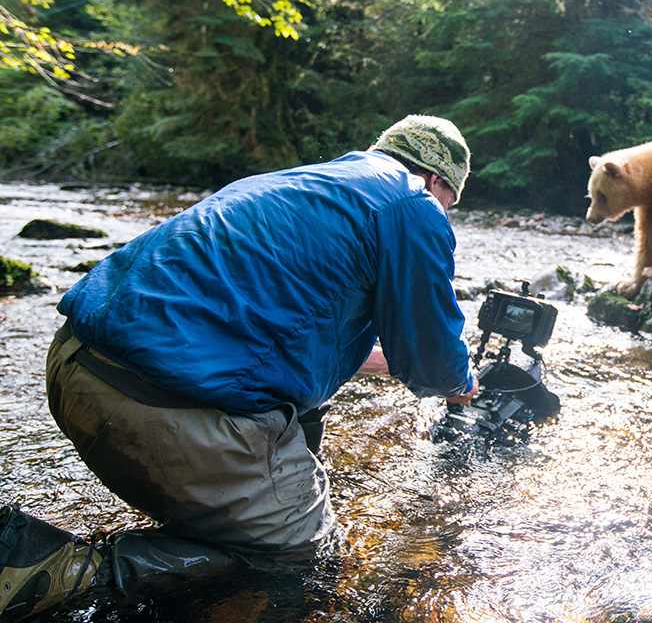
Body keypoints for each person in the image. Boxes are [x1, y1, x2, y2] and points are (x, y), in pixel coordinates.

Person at [0, 115, 479, 621]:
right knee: (303, 551)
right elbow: (433, 362)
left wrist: (380, 361)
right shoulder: (413, 204)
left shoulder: (306, 182)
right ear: (436, 180)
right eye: (451, 203)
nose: (445, 212)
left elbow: (268, 320)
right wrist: (463, 383)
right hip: (162, 410)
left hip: (74, 368)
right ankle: (60, 569)